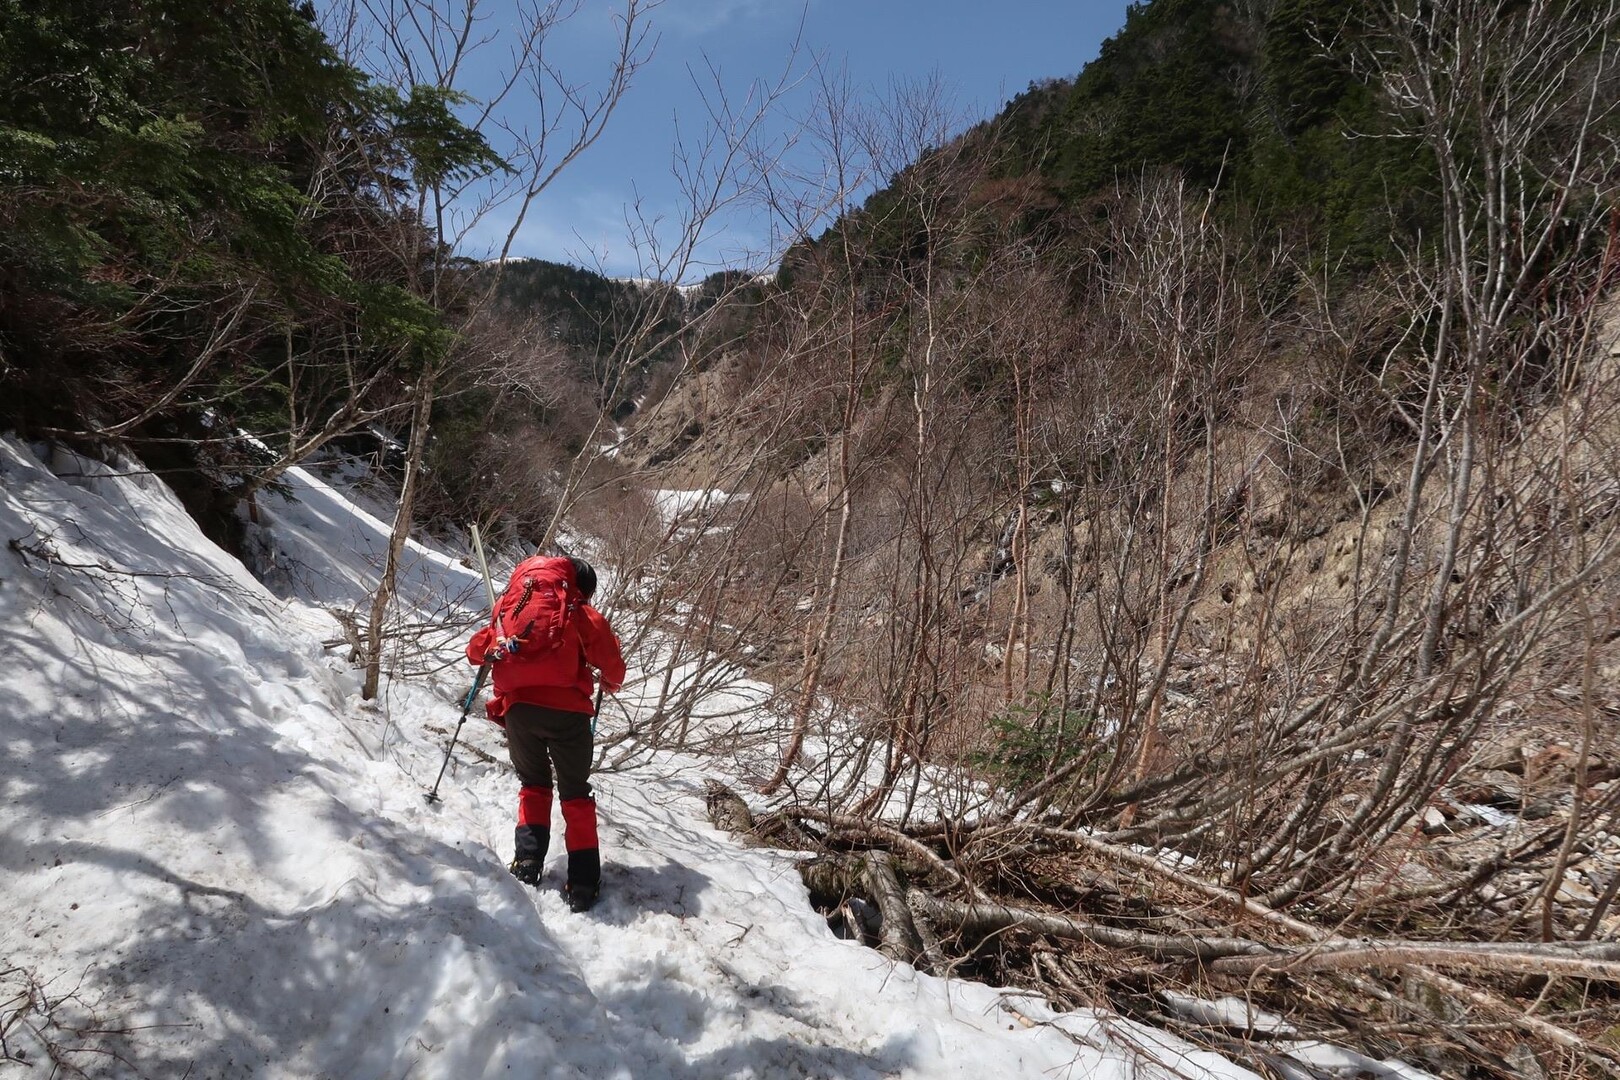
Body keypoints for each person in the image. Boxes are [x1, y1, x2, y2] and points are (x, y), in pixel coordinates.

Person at [465, 554, 624, 912]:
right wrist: (610, 683)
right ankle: (582, 883)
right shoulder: (578, 611)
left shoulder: (513, 607)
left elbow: (477, 650)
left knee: (534, 784)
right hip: (568, 715)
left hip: (519, 711)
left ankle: (528, 862)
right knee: (575, 793)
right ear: (583, 588)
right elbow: (611, 663)